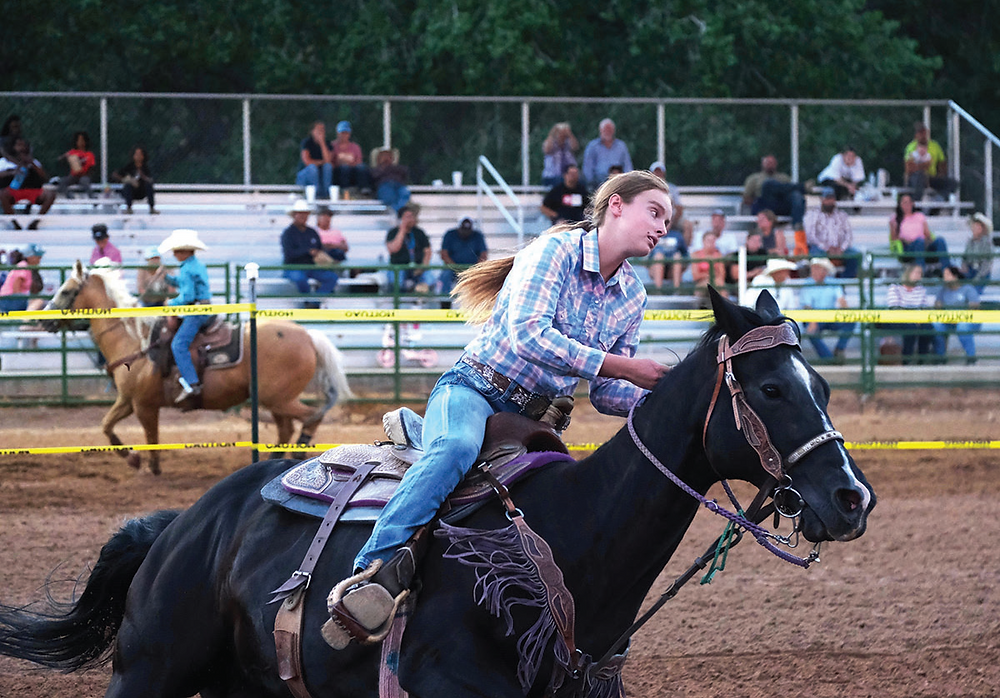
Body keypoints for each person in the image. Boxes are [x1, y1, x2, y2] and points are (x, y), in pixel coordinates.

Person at [324, 170, 673, 649]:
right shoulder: (552, 253)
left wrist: (670, 402)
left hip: (535, 423)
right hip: (474, 389)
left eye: (668, 222)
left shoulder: (633, 294)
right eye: (654, 213)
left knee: (558, 509)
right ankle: (369, 574)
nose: (662, 228)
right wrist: (625, 365)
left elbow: (610, 393)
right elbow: (526, 335)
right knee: (454, 450)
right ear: (615, 205)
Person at [156, 229, 212, 402]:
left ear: (187, 251)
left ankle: (192, 383)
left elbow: (187, 296)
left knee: (178, 345)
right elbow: (184, 284)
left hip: (195, 312)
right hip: (200, 308)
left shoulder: (188, 269)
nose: (174, 254)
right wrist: (168, 279)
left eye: (178, 250)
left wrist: (170, 304)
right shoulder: (193, 265)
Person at [281, 199, 339, 302]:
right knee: (300, 279)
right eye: (300, 213)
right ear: (294, 215)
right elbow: (289, 254)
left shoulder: (312, 232)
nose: (303, 216)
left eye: (305, 213)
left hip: (311, 266)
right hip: (293, 267)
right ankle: (309, 301)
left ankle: (313, 302)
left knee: (332, 277)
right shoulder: (288, 233)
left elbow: (320, 248)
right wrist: (308, 252)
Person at [799, 258, 853, 363]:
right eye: (816, 268)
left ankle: (839, 350)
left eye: (821, 269)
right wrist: (812, 321)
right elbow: (807, 306)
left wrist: (847, 312)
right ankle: (829, 359)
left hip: (831, 317)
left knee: (851, 320)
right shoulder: (807, 284)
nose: (819, 271)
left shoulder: (833, 282)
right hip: (815, 318)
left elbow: (841, 300)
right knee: (811, 330)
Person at [803, 187, 860, 278]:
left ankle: (844, 281)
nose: (829, 202)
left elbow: (848, 235)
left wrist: (841, 248)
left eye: (832, 199)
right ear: (822, 199)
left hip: (839, 248)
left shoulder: (842, 215)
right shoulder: (813, 215)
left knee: (856, 255)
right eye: (827, 199)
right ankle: (822, 281)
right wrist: (827, 248)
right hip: (820, 248)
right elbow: (811, 236)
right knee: (816, 255)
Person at [0, 137, 55, 229]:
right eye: (19, 145)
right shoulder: (5, 161)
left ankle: (36, 221)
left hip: (33, 190)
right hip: (14, 190)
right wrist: (12, 172)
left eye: (23, 145)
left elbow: (44, 177)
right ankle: (14, 222)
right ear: (13, 147)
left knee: (50, 195)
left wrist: (31, 163)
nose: (22, 147)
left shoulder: (33, 161)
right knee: (2, 194)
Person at [742, 154, 805, 233]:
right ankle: (802, 187)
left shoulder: (783, 177)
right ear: (763, 164)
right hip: (764, 205)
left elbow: (790, 191)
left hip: (781, 205)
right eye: (768, 162)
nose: (770, 164)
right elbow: (746, 197)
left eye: (772, 162)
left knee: (796, 195)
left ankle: (798, 225)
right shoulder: (754, 178)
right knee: (769, 184)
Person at [889, 192, 950, 272]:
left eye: (909, 202)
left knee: (940, 240)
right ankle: (920, 273)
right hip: (908, 247)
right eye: (904, 202)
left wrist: (929, 241)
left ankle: (947, 272)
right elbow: (894, 238)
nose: (907, 205)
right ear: (900, 204)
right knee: (919, 241)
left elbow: (927, 234)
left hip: (923, 244)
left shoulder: (919, 216)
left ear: (912, 204)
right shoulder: (896, 218)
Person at [932, 265, 980, 364]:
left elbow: (974, 307)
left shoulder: (968, 288)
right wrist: (938, 305)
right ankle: (940, 357)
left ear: (955, 276)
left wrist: (958, 317)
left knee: (963, 326)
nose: (944, 277)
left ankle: (971, 356)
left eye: (947, 274)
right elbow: (937, 307)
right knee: (936, 325)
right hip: (949, 321)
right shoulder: (943, 290)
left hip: (968, 320)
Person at [886, 264, 934, 364]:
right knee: (911, 327)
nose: (918, 276)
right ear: (908, 273)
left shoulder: (921, 289)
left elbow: (924, 308)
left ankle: (922, 360)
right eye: (916, 272)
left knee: (928, 327)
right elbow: (894, 308)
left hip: (917, 318)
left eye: (920, 273)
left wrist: (918, 317)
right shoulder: (895, 287)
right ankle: (906, 360)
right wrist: (912, 317)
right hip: (897, 319)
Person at [904, 122, 957, 204]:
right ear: (916, 134)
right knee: (919, 176)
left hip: (930, 177)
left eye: (924, 132)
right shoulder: (911, 147)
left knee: (952, 183)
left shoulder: (934, 146)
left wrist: (940, 175)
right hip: (916, 177)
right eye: (920, 132)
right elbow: (909, 168)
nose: (923, 135)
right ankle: (917, 206)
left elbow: (942, 163)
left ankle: (938, 201)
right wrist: (924, 166)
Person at [385, 205, 432, 292]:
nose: (411, 219)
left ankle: (421, 301)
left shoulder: (419, 232)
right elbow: (394, 249)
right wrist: (402, 229)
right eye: (408, 217)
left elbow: (428, 251)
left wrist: (422, 267)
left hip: (418, 266)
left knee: (430, 280)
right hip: (399, 267)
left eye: (412, 216)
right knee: (397, 282)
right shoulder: (393, 232)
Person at [438, 217, 488, 298]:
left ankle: (478, 300)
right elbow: (444, 254)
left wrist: (475, 269)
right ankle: (445, 301)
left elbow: (483, 255)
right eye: (463, 229)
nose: (465, 233)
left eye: (468, 230)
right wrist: (456, 268)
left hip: (472, 269)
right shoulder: (450, 234)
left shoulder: (478, 236)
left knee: (483, 276)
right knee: (445, 275)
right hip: (453, 269)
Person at [581, 118, 632, 188]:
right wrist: (591, 183)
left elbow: (627, 165)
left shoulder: (621, 146)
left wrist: (628, 180)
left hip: (618, 181)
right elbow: (587, 167)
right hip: (598, 183)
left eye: (610, 130)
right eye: (605, 130)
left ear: (614, 131)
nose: (608, 132)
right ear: (600, 130)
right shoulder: (592, 146)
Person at [112, 146, 158, 215]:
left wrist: (142, 175)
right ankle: (129, 208)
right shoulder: (130, 166)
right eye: (136, 154)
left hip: (142, 191)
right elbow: (115, 174)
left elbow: (151, 179)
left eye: (140, 154)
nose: (138, 156)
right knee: (128, 186)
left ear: (143, 156)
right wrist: (126, 179)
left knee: (149, 186)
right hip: (132, 192)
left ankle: (152, 208)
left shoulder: (146, 167)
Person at [0, 243, 44, 313]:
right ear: (30, 257)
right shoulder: (23, 266)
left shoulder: (29, 268)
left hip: (13, 299)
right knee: (38, 301)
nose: (39, 260)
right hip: (9, 300)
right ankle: (25, 321)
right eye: (38, 257)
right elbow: (16, 290)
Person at [330, 121, 371, 193]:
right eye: (342, 133)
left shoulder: (355, 147)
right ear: (337, 133)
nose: (344, 135)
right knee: (344, 168)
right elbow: (330, 162)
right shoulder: (332, 146)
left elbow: (359, 161)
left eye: (346, 133)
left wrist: (350, 163)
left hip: (353, 170)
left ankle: (364, 188)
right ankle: (344, 189)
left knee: (361, 167)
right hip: (339, 172)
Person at [296, 121, 333, 195]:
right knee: (312, 167)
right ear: (312, 131)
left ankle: (326, 194)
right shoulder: (307, 142)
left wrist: (322, 143)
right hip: (306, 174)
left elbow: (328, 161)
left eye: (322, 129)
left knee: (328, 166)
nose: (321, 132)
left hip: (321, 175)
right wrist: (321, 162)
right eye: (318, 129)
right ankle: (316, 194)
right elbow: (307, 162)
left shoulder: (328, 144)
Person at [370, 147, 411, 213]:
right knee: (389, 197)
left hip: (399, 185)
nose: (386, 157)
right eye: (383, 156)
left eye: (389, 156)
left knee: (405, 193)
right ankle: (395, 212)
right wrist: (383, 167)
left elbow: (404, 173)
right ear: (378, 158)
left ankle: (400, 211)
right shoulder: (375, 170)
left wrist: (388, 168)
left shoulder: (398, 168)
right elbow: (374, 177)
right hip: (385, 185)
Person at [58, 131, 97, 199]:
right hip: (74, 175)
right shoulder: (73, 152)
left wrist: (86, 173)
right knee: (62, 182)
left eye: (82, 140)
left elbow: (92, 167)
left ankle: (92, 197)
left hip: (84, 175)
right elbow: (60, 159)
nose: (80, 142)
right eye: (78, 140)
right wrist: (65, 156)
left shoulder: (89, 154)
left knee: (84, 181)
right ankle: (70, 196)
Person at [962, 212, 994, 294]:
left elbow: (986, 264)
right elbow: (964, 257)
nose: (974, 228)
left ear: (982, 228)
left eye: (977, 226)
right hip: (970, 271)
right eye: (973, 225)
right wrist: (964, 266)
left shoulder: (987, 243)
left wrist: (977, 278)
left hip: (982, 273)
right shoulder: (970, 242)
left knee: (974, 291)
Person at [540, 122, 579, 187]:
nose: (562, 136)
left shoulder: (567, 144)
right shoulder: (551, 144)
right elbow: (547, 149)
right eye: (560, 133)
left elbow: (575, 147)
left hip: (568, 176)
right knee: (562, 182)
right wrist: (553, 133)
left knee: (580, 183)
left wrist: (569, 134)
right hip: (551, 176)